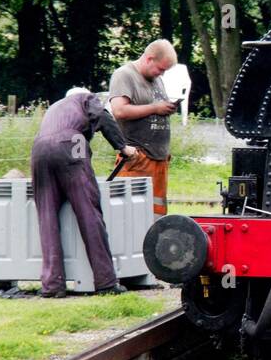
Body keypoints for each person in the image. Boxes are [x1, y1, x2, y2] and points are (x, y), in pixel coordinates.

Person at [31, 87, 138, 298]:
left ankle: (52, 285)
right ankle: (105, 281)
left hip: (39, 150)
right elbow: (102, 117)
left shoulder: (55, 108)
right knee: (88, 211)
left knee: (47, 217)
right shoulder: (85, 98)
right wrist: (123, 147)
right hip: (72, 144)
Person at [109, 39, 178, 215]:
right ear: (149, 59)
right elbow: (119, 110)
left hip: (159, 160)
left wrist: (166, 108)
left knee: (157, 216)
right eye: (160, 69)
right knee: (133, 216)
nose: (161, 74)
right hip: (137, 160)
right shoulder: (124, 75)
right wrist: (156, 108)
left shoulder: (156, 80)